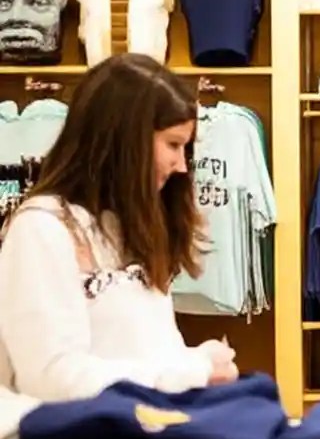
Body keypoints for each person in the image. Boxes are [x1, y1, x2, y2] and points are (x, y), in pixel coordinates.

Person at [0, 53, 239, 403]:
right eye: (173, 145)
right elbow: (52, 378)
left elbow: (141, 353)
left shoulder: (132, 227)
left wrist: (194, 361)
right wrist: (190, 370)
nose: (181, 166)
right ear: (126, 140)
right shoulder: (41, 230)